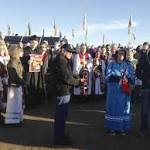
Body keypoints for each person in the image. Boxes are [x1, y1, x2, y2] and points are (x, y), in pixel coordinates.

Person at [53, 44, 85, 145]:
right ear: (63, 50)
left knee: (62, 115)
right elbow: (67, 78)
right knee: (61, 116)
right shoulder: (61, 61)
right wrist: (79, 81)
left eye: (72, 52)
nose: (71, 54)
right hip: (62, 91)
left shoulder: (62, 60)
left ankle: (60, 135)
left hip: (63, 90)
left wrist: (76, 78)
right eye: (69, 52)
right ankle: (59, 138)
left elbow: (68, 75)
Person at [105, 49, 135, 135]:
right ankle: (112, 128)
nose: (121, 55)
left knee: (123, 109)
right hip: (113, 91)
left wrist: (129, 80)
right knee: (113, 108)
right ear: (116, 55)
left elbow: (131, 76)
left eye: (123, 54)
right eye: (120, 53)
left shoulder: (127, 65)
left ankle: (122, 127)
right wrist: (119, 78)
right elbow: (107, 76)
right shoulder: (111, 64)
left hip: (123, 91)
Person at [22, 35, 44, 108]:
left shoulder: (39, 50)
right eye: (32, 42)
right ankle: (27, 104)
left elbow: (40, 60)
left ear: (37, 43)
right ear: (30, 42)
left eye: (35, 42)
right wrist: (26, 61)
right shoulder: (25, 50)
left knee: (35, 87)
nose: (33, 44)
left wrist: (41, 63)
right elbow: (21, 60)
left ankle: (35, 103)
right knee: (28, 87)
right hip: (28, 72)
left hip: (36, 73)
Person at [5, 45, 24, 125]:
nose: (22, 53)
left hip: (17, 84)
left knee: (17, 103)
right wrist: (20, 82)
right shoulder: (13, 61)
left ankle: (16, 119)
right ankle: (12, 121)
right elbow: (13, 74)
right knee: (14, 104)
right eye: (21, 51)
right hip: (14, 85)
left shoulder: (16, 60)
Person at [136, 42, 150, 137]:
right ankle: (143, 130)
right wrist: (144, 78)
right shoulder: (143, 57)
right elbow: (137, 72)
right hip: (146, 87)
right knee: (144, 110)